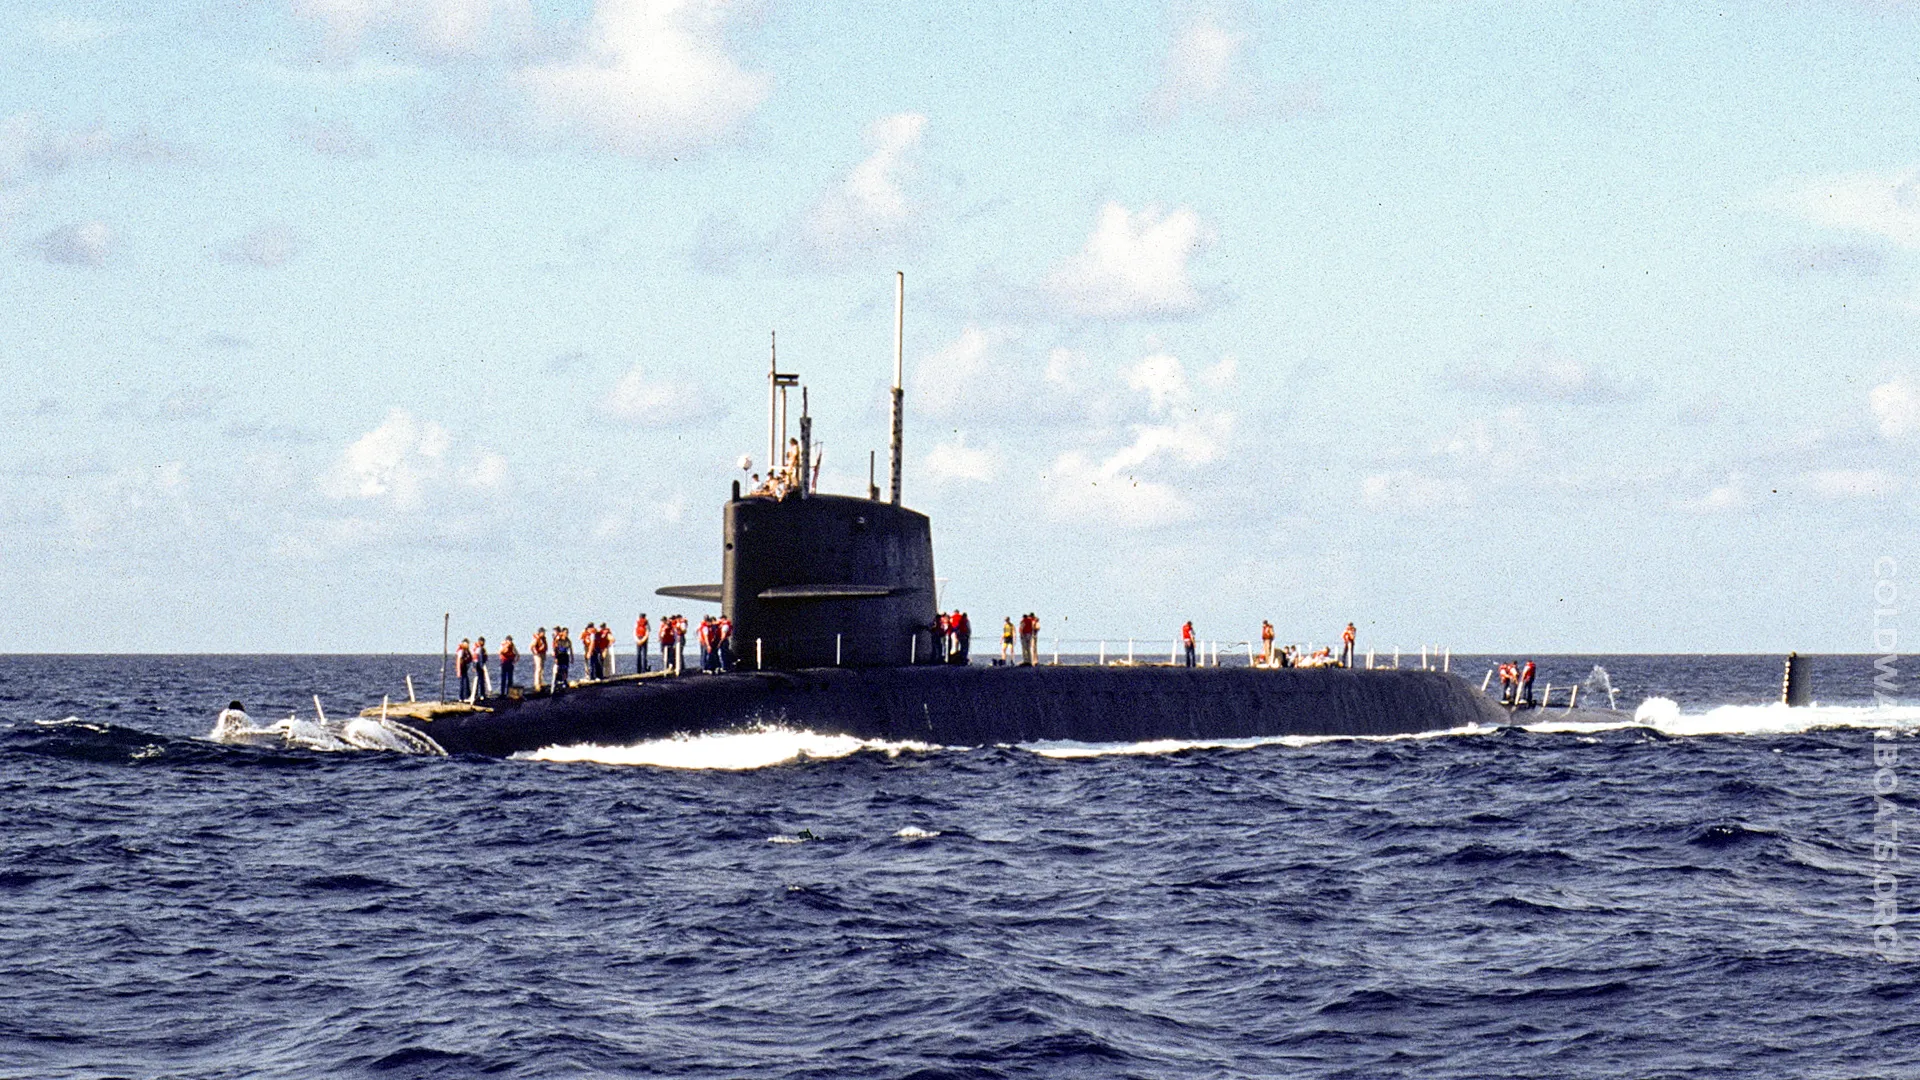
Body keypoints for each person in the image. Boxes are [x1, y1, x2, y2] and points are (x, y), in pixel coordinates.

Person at [553, 627, 573, 692]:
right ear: (562, 633)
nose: (566, 634)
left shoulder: (568, 640)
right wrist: (555, 657)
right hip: (560, 655)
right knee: (560, 669)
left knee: (565, 669)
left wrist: (572, 657)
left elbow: (570, 649)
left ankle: (564, 681)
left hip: (565, 655)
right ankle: (558, 682)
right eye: (565, 632)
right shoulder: (559, 640)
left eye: (567, 632)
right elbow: (555, 648)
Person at [531, 627, 549, 692]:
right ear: (540, 632)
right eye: (543, 632)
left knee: (542, 668)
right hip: (538, 655)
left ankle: (541, 682)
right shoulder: (536, 639)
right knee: (538, 668)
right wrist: (535, 652)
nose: (544, 633)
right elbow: (532, 646)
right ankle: (537, 683)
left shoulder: (543, 639)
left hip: (542, 654)